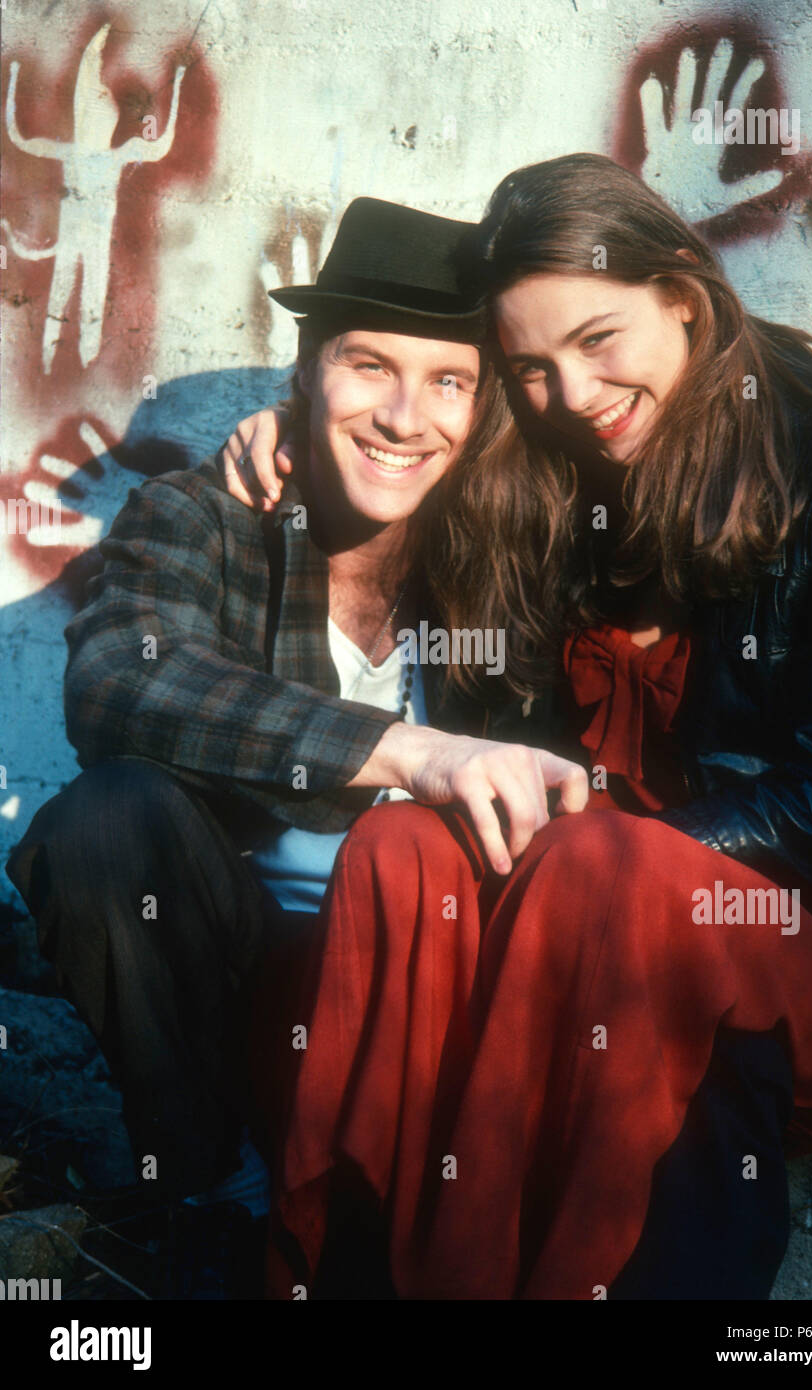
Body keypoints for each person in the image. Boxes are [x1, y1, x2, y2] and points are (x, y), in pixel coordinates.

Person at [223, 155, 812, 1300]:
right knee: (400, 845)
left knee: (593, 858)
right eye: (528, 368)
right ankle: (361, 1266)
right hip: (571, 947)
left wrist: (594, 846)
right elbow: (390, 441)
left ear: (681, 298)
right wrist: (293, 436)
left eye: (599, 340)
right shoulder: (545, 474)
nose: (570, 394)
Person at [4, 196, 590, 1296]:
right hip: (231, 975)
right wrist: (413, 750)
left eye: (449, 381)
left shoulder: (512, 543)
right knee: (99, 823)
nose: (405, 415)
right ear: (310, 368)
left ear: (483, 407)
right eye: (369, 366)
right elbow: (119, 679)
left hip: (421, 988)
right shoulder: (203, 515)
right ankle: (205, 1188)